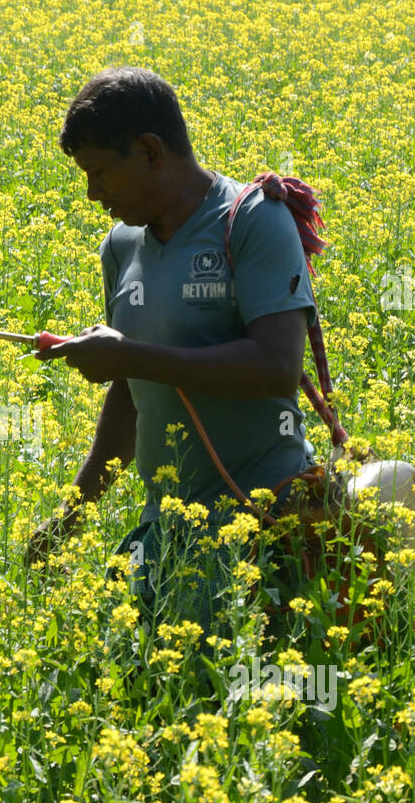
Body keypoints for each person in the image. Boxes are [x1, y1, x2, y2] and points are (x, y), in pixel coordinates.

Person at [26, 66, 320, 636]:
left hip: (263, 515)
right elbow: (130, 394)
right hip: (169, 526)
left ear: (149, 151)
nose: (92, 194)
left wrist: (131, 356)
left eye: (100, 173)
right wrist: (71, 517)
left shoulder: (254, 220)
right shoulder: (121, 245)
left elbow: (278, 368)